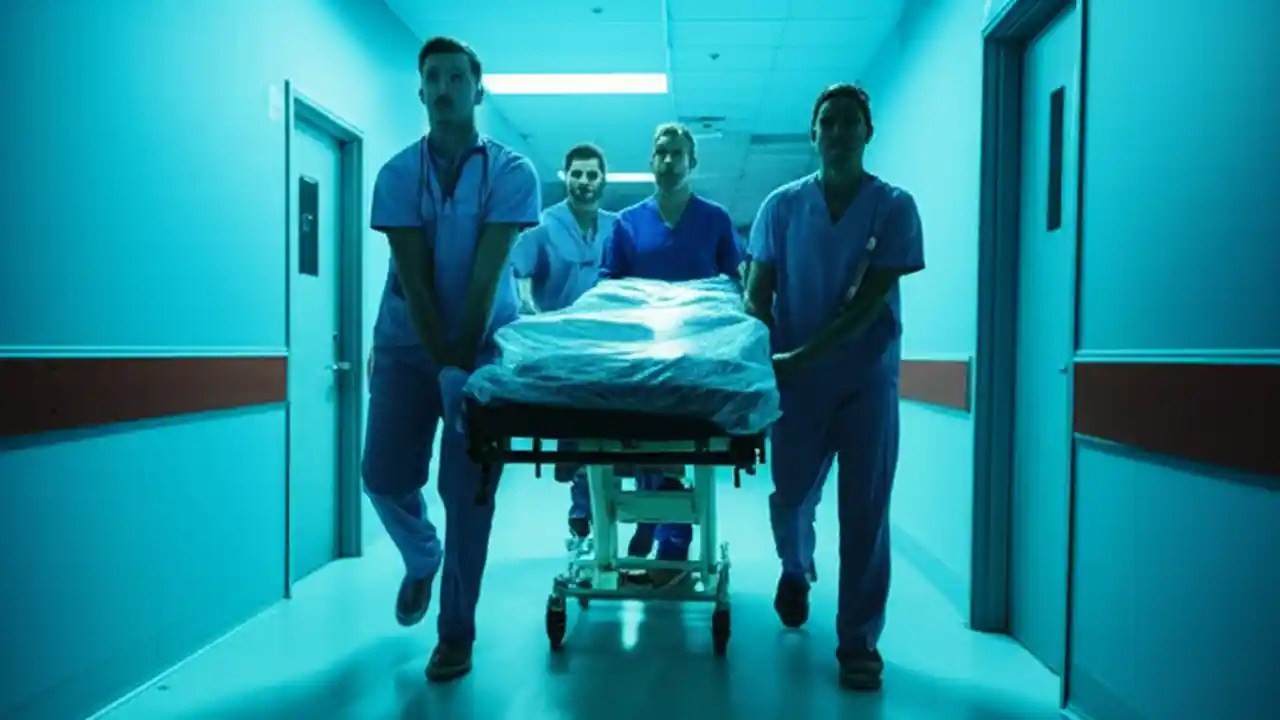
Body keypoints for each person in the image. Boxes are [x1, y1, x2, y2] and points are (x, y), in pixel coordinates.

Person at [364, 36, 540, 683]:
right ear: (421, 92)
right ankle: (420, 558)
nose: (444, 87)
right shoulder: (395, 175)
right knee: (382, 477)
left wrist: (462, 366)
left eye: (456, 77)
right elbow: (412, 280)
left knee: (467, 495)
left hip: (486, 350)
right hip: (407, 347)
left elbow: (487, 280)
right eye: (432, 78)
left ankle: (455, 633)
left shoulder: (512, 173)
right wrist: (440, 364)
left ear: (477, 89)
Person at [744, 83, 924, 692]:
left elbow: (870, 306)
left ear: (867, 133)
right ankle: (795, 568)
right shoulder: (781, 207)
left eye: (851, 121)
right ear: (813, 132)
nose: (840, 130)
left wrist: (802, 355)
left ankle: (858, 642)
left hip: (866, 383)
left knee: (865, 512)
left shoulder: (894, 208)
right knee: (790, 495)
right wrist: (759, 352)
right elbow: (757, 291)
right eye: (829, 120)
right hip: (794, 385)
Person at [601, 122, 742, 579]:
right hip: (642, 353)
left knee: (681, 449)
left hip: (698, 354)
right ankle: (650, 519)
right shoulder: (628, 223)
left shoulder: (715, 220)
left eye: (677, 153)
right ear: (651, 160)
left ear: (692, 162)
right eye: (660, 153)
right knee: (644, 441)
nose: (668, 161)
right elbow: (609, 290)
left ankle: (670, 545)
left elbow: (734, 289)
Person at [508, 142, 618, 546]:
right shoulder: (541, 226)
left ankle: (620, 506)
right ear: (565, 176)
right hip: (563, 349)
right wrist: (529, 310)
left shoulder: (616, 226)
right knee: (580, 429)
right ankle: (581, 506)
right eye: (577, 174)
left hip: (611, 348)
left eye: (592, 175)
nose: (585, 182)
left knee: (617, 430)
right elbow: (518, 278)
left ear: (603, 179)